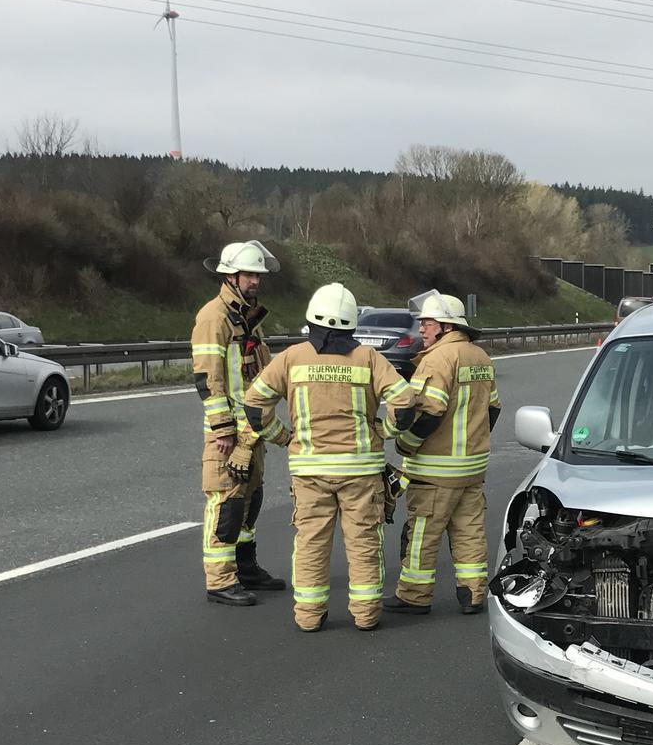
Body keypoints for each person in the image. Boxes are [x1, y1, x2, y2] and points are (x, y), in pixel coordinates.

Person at [242, 283, 417, 633]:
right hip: (361, 471)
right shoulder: (369, 358)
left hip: (310, 470)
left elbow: (254, 403)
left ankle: (308, 616)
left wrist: (283, 437)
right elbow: (406, 402)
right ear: (352, 323)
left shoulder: (292, 357)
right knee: (364, 543)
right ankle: (366, 615)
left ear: (312, 320)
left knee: (310, 544)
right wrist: (383, 433)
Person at [192, 237, 289, 606]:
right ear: (231, 276)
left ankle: (245, 568)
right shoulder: (213, 318)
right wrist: (223, 429)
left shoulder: (247, 319)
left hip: (252, 431)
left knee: (251, 499)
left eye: (259, 275)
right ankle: (220, 580)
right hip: (230, 435)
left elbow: (261, 373)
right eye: (250, 274)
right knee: (227, 503)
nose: (256, 281)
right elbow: (208, 378)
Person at [390, 292, 498, 616]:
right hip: (472, 467)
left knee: (422, 533)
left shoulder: (437, 360)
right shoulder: (481, 357)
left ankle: (413, 595)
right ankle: (473, 594)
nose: (422, 328)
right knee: (469, 532)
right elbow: (493, 410)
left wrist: (404, 445)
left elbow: (429, 414)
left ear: (446, 326)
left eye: (428, 322)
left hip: (437, 470)